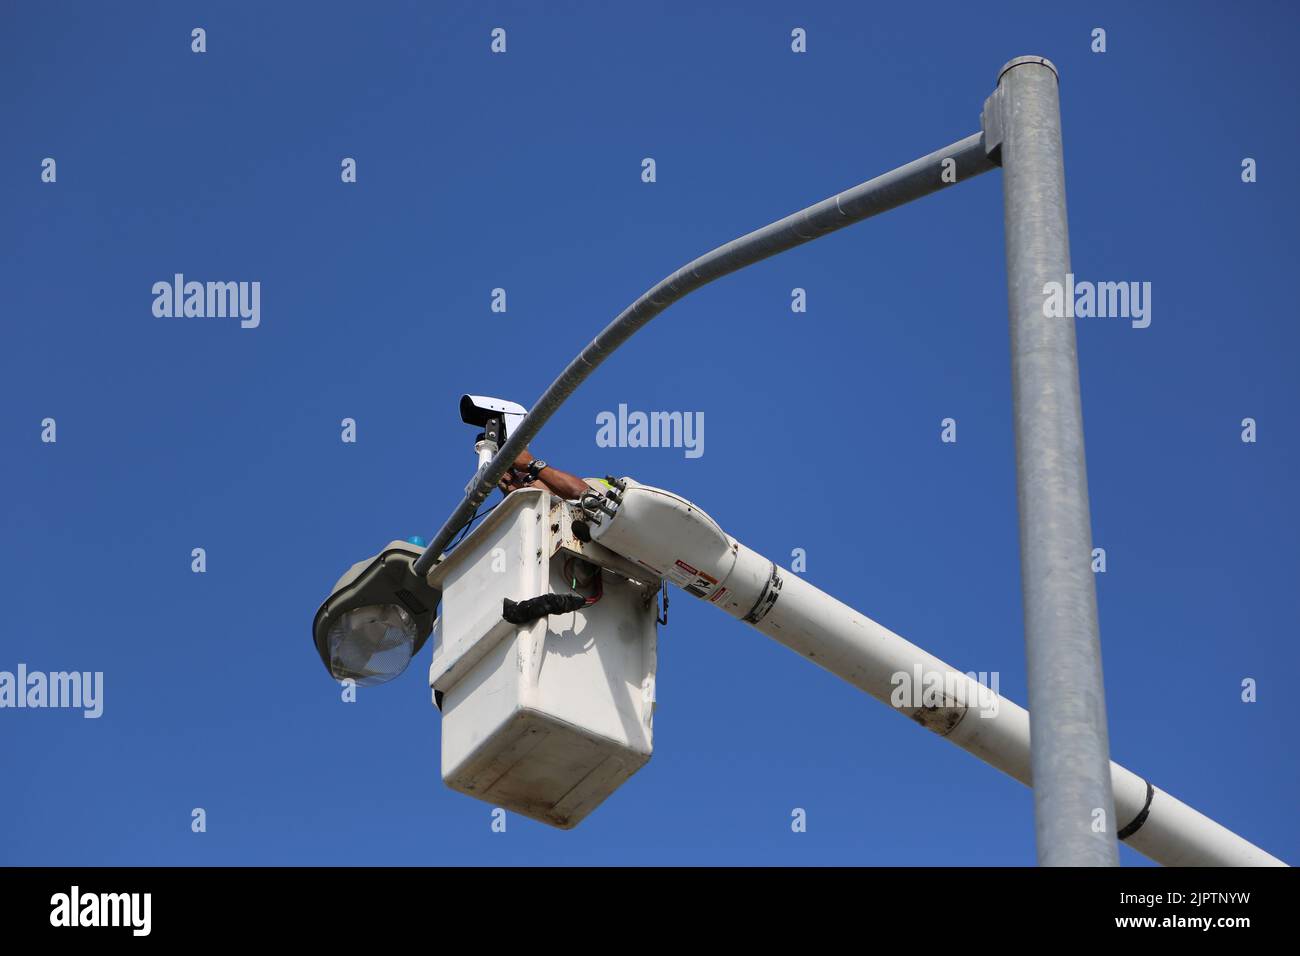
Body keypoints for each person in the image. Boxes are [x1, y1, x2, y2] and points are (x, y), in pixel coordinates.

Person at [497, 449, 605, 501]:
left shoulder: (589, 483)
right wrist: (514, 494)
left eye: (529, 478)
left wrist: (533, 465)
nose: (527, 486)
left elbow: (589, 497)